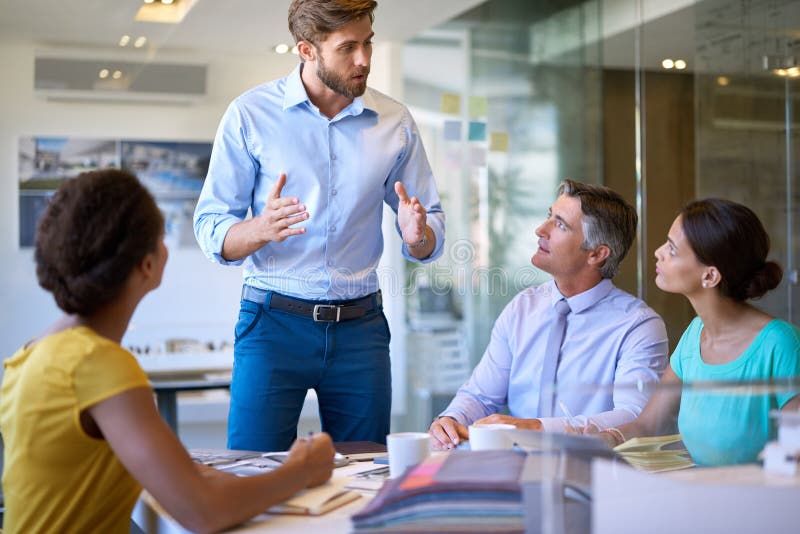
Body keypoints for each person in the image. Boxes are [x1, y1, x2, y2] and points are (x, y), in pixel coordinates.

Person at [0, 169, 335, 533]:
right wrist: (301, 469)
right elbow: (204, 512)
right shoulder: (99, 365)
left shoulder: (32, 353)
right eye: (162, 238)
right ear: (147, 264)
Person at [193, 0, 445, 452]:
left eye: (367, 43)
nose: (364, 59)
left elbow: (430, 229)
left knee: (366, 473)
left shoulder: (395, 122)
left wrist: (418, 236)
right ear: (306, 50)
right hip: (272, 324)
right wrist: (259, 229)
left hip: (360, 328)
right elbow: (211, 227)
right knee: (252, 466)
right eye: (347, 47)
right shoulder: (250, 115)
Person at [429, 180, 669, 449]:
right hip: (511, 469)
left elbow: (635, 416)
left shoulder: (638, 326)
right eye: (549, 217)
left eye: (560, 224)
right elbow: (480, 396)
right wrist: (451, 418)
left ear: (597, 254)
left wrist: (539, 428)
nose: (540, 230)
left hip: (591, 473)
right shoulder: (523, 307)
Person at [593, 199, 800, 466]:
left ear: (710, 276)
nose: (658, 252)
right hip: (702, 498)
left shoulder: (782, 345)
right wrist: (605, 438)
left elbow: (795, 457)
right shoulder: (695, 335)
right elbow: (649, 424)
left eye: (672, 249)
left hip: (761, 503)